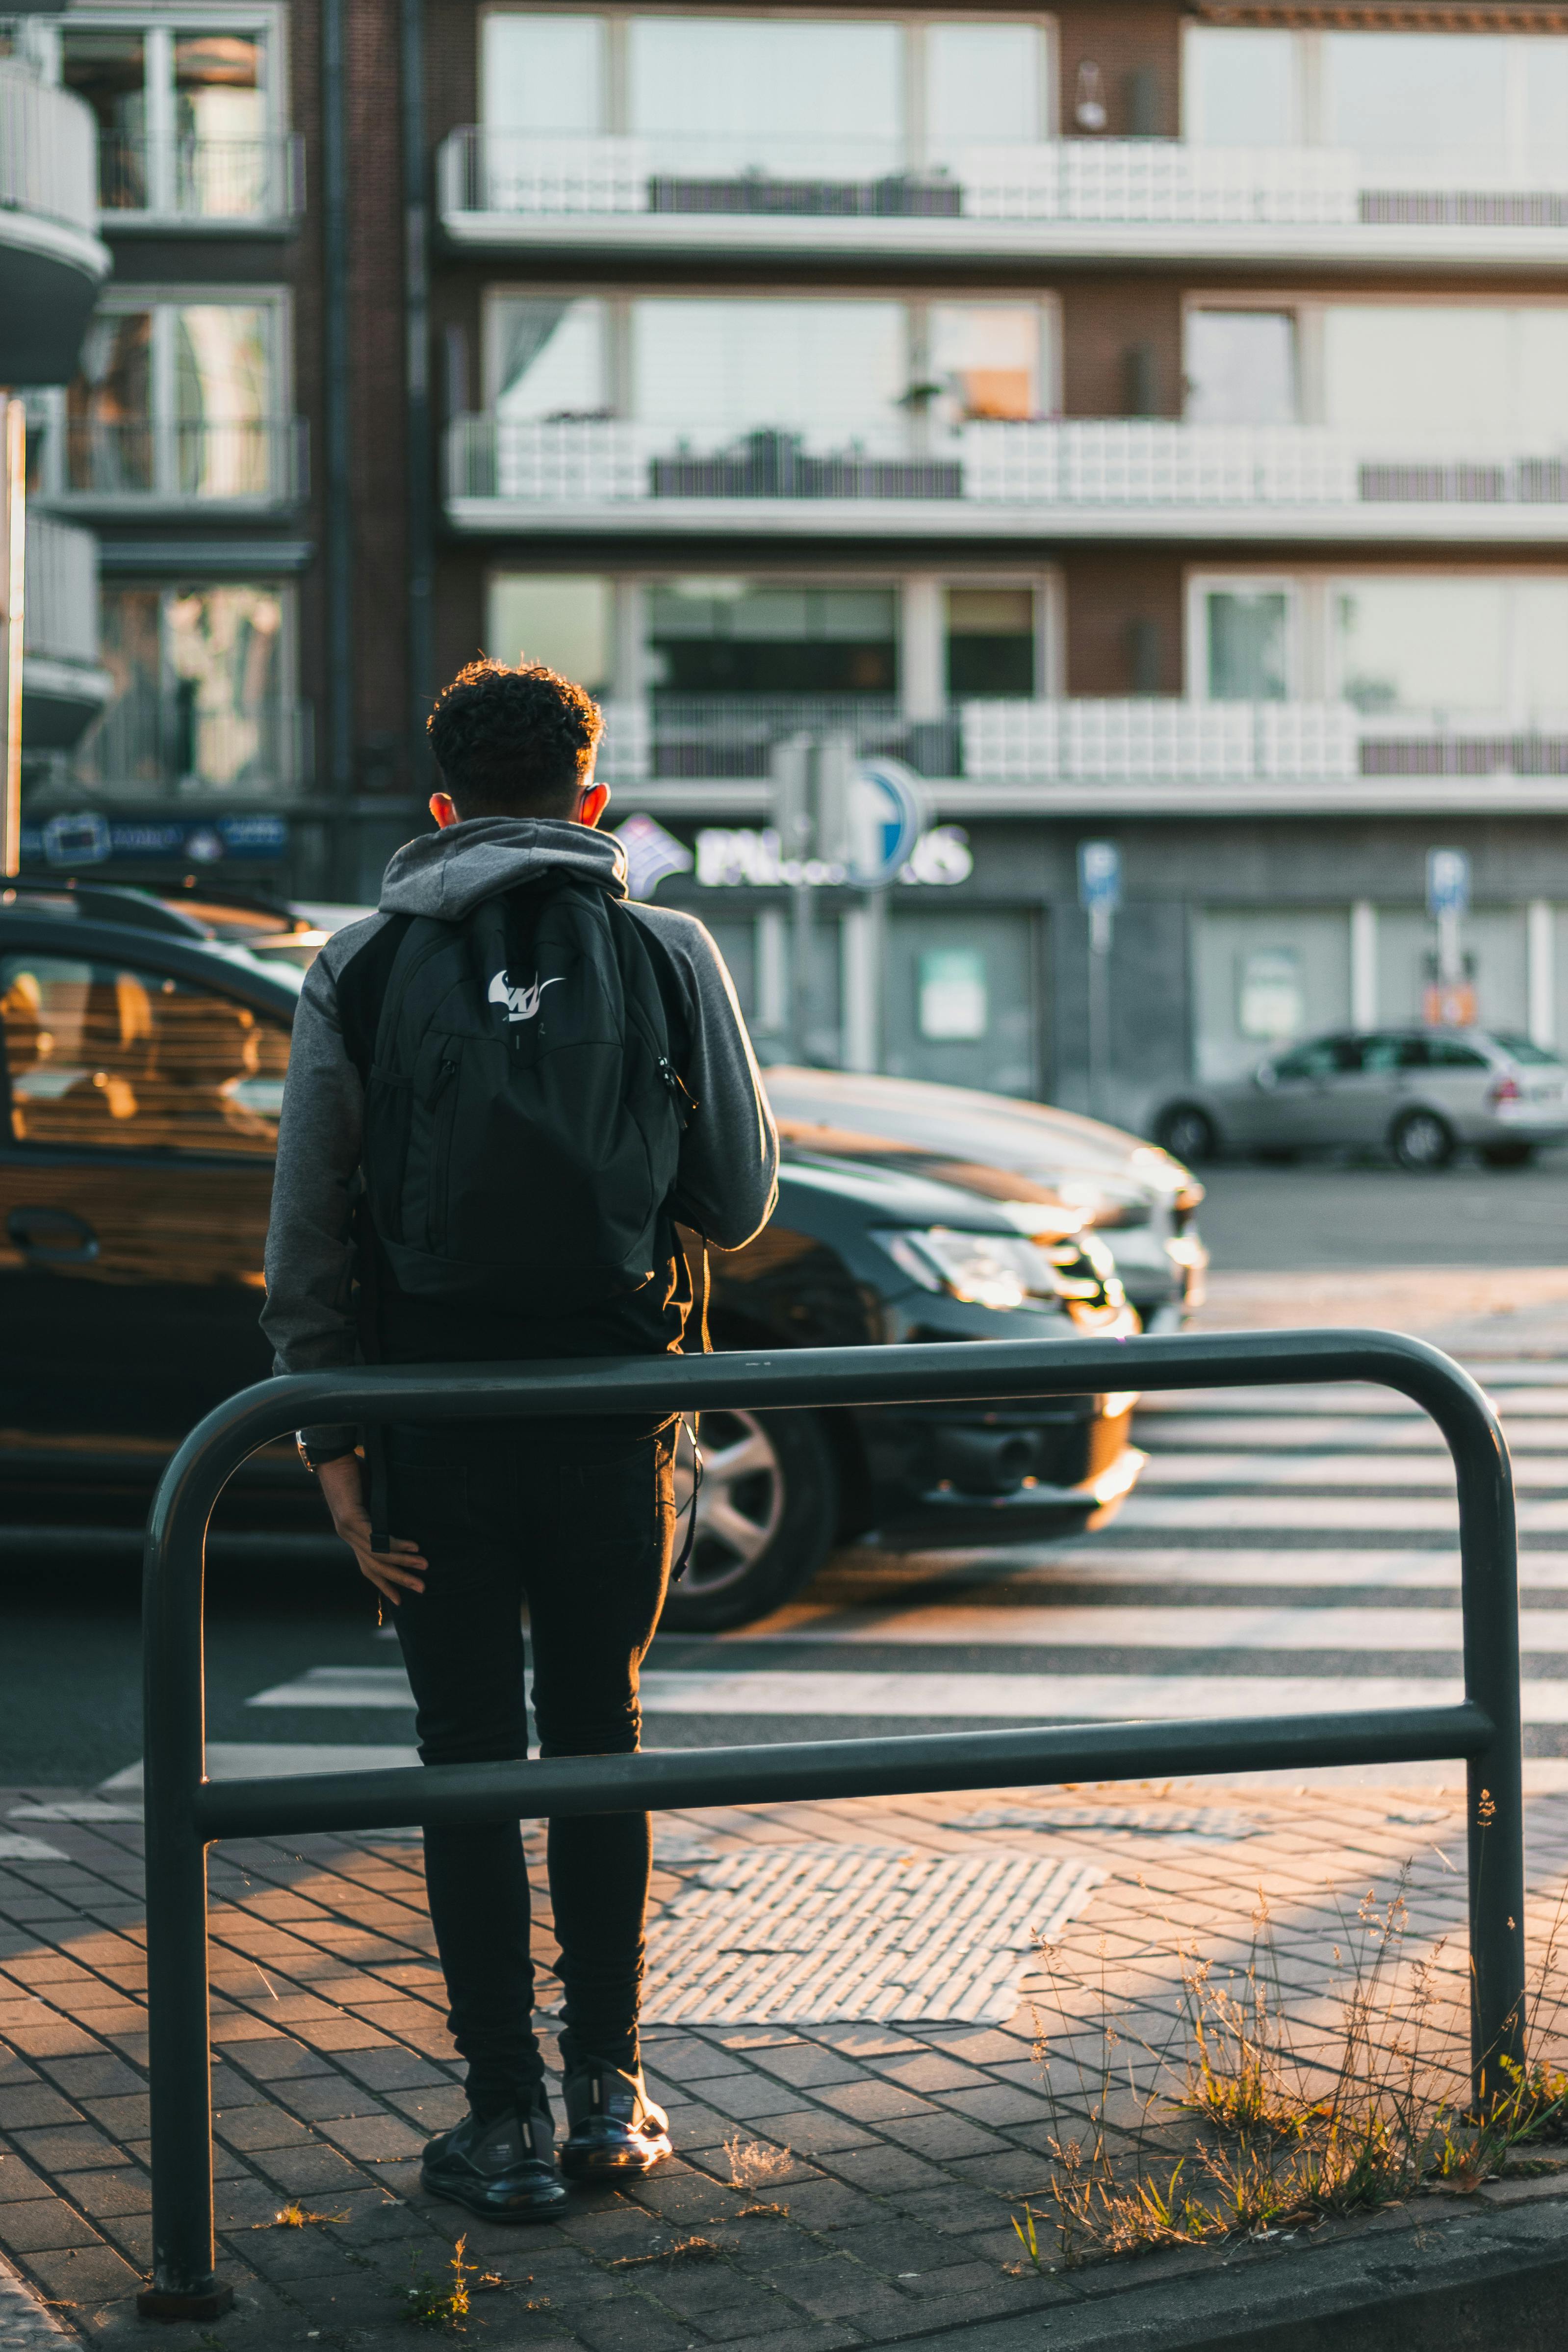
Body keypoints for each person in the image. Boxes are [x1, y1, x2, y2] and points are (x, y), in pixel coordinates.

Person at [261, 658, 778, 2221]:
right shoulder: (669, 949)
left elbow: (307, 1243)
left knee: (466, 1757)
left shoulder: (357, 965)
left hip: (432, 1432)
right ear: (592, 797)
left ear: (439, 805)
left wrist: (336, 1449)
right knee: (597, 1735)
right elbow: (740, 1200)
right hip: (617, 1422)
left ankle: (499, 2114)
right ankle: (612, 2095)